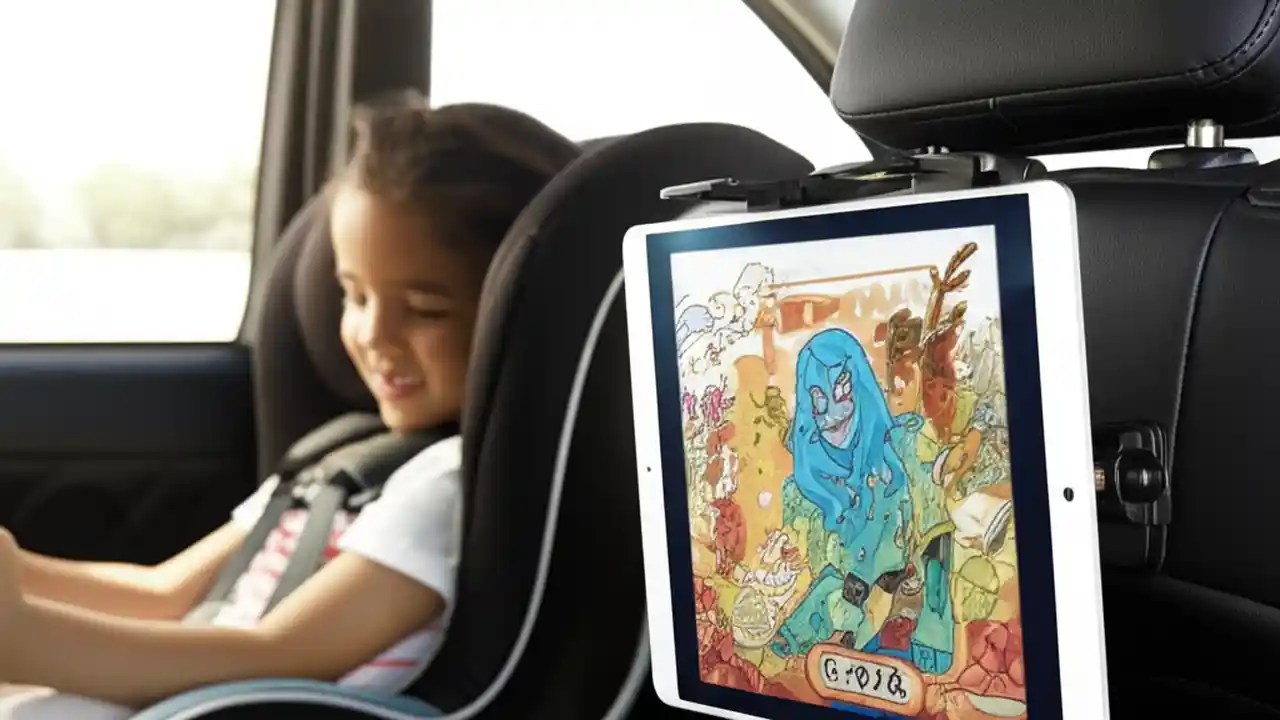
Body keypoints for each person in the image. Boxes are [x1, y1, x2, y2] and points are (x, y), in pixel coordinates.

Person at [0, 92, 579, 718]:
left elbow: (284, 652)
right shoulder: (343, 458)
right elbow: (162, 594)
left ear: (519, 319)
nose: (374, 335)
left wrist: (27, 642)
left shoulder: (450, 489)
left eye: (424, 310)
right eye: (355, 297)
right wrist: (18, 571)